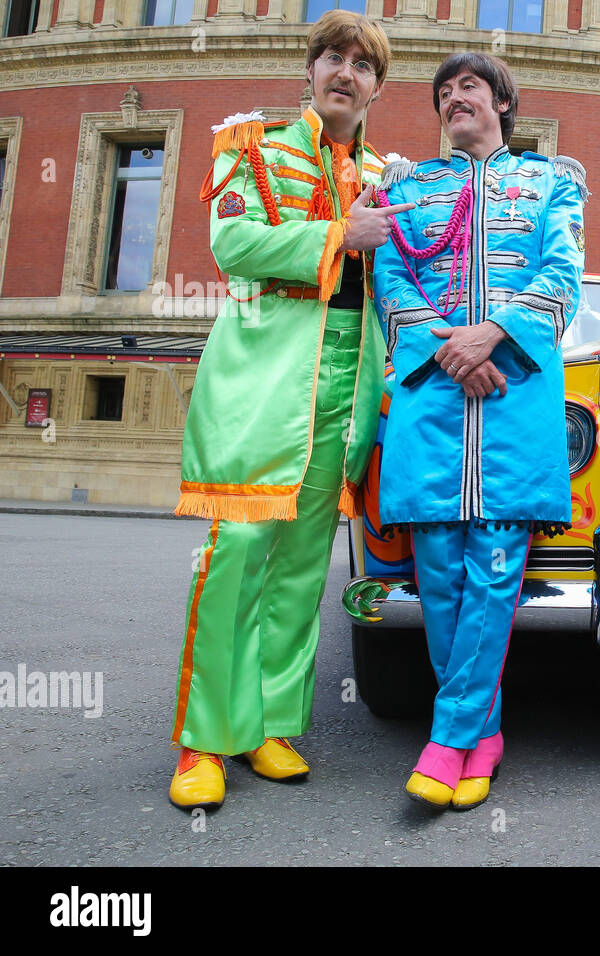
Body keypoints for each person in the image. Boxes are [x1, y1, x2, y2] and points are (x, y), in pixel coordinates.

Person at [167, 10, 412, 811]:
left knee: (305, 561)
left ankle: (267, 726)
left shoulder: (386, 172)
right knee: (238, 548)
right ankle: (204, 740)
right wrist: (345, 231)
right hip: (268, 376)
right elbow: (231, 248)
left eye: (363, 66)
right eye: (333, 59)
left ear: (378, 85)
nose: (346, 74)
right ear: (310, 71)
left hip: (348, 379)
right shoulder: (254, 148)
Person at [372, 52, 585, 811]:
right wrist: (447, 348)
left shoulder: (553, 180)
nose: (454, 98)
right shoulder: (409, 188)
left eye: (469, 87)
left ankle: (447, 738)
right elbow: (389, 278)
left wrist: (490, 334)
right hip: (433, 392)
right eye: (443, 93)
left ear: (503, 102)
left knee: (494, 571)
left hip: (515, 389)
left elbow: (562, 274)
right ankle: (481, 734)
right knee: (438, 577)